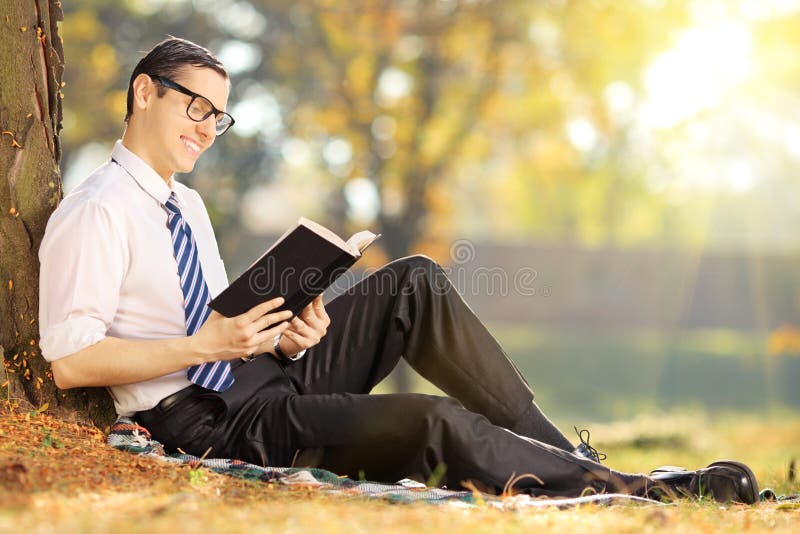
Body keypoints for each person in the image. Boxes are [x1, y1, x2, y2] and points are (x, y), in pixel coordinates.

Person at [38, 37, 758, 503]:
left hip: (257, 375)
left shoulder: (186, 207)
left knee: (413, 280)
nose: (206, 127)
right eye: (196, 106)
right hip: (209, 422)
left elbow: (220, 325)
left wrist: (290, 335)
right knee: (433, 422)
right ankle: (628, 491)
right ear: (143, 91)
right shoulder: (95, 211)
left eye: (219, 117)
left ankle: (564, 454)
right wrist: (206, 348)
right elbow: (69, 359)